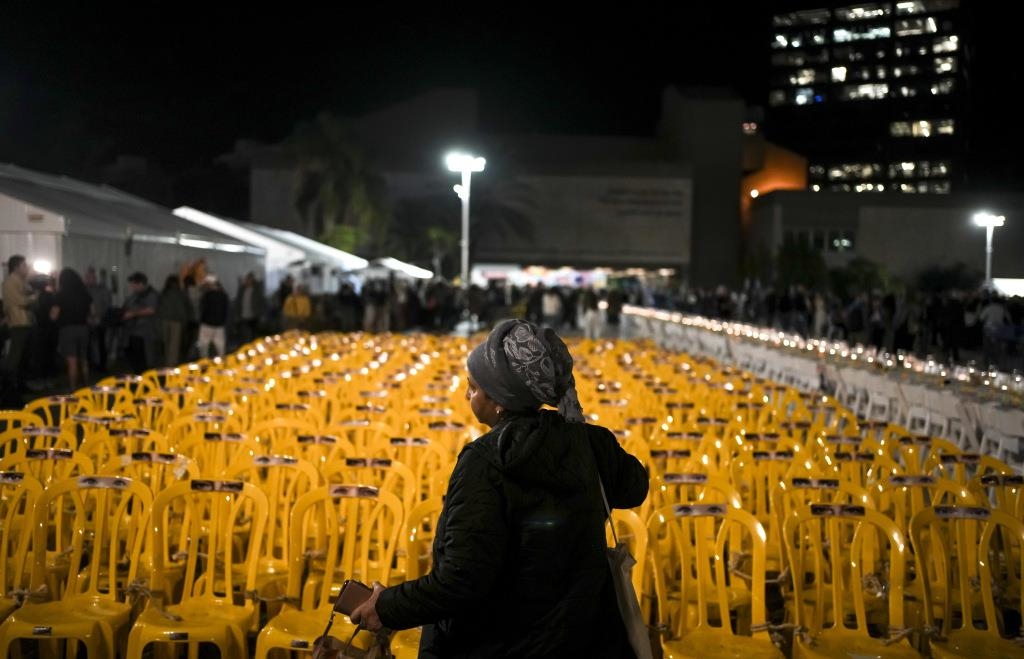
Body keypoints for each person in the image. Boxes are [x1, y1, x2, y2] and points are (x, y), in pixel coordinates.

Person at [349, 319, 649, 658]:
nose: (466, 394)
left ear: (500, 401)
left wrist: (386, 606)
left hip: (500, 643)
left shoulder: (485, 463)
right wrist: (585, 435)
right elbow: (635, 487)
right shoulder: (588, 442)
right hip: (583, 639)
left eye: (474, 388)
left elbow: (463, 580)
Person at [49, 268, 93, 391]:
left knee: (72, 361)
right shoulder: (85, 294)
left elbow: (54, 316)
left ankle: (73, 389)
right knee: (84, 359)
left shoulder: (61, 295)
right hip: (83, 328)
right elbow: (93, 312)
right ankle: (86, 386)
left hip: (67, 330)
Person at [1, 255, 38, 393]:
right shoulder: (10, 282)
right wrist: (33, 297)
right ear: (16, 267)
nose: (26, 268)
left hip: (24, 322)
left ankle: (20, 384)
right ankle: (10, 387)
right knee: (15, 355)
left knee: (23, 355)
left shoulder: (20, 282)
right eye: (23, 266)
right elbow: (20, 300)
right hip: (18, 323)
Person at [122, 272, 159, 373]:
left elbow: (151, 310)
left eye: (134, 284)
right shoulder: (135, 295)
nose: (132, 286)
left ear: (141, 283)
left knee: (146, 361)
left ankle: (145, 381)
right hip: (133, 331)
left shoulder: (151, 294)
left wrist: (133, 313)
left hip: (145, 333)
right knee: (134, 359)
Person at [156, 274, 192, 367]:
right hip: (176, 322)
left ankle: (166, 363)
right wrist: (185, 322)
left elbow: (159, 309)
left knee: (166, 344)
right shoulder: (180, 293)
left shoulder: (163, 293)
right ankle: (171, 365)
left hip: (164, 321)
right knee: (174, 345)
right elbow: (182, 309)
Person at [197, 275, 229, 357]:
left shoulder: (207, 295)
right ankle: (221, 364)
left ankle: (204, 364)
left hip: (207, 324)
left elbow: (202, 308)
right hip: (219, 325)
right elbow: (226, 310)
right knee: (220, 347)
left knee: (204, 347)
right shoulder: (223, 295)